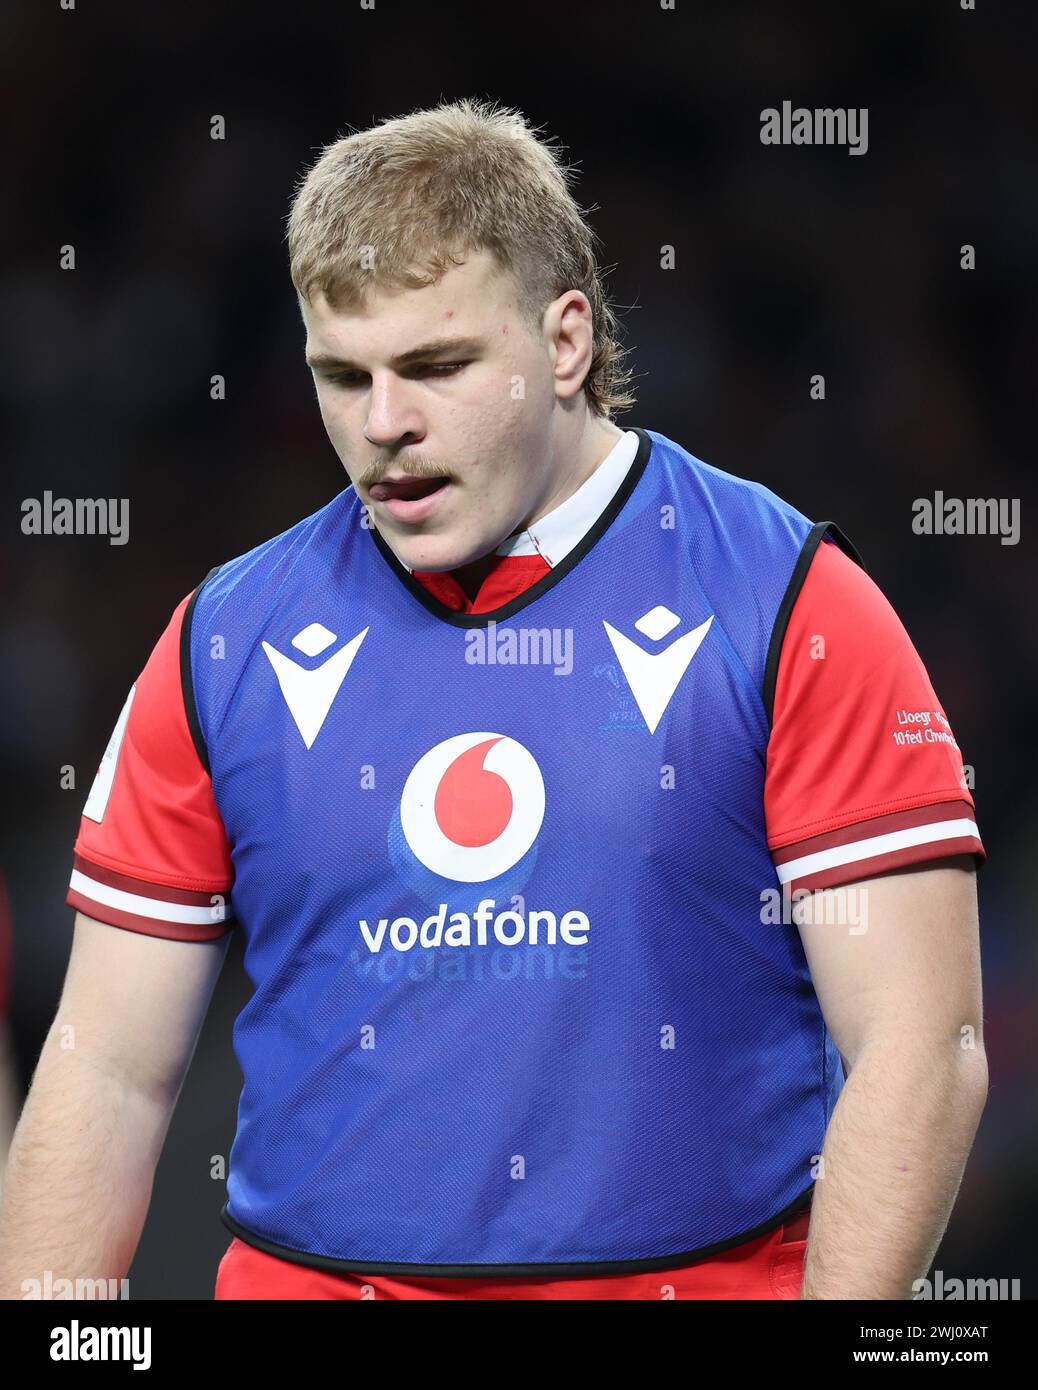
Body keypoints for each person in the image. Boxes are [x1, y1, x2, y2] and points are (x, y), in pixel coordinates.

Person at [0, 99, 987, 1301]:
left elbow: (921, 1046)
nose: (383, 426)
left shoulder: (787, 605)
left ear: (566, 341)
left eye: (436, 365)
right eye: (340, 375)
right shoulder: (224, 640)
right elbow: (106, 1065)